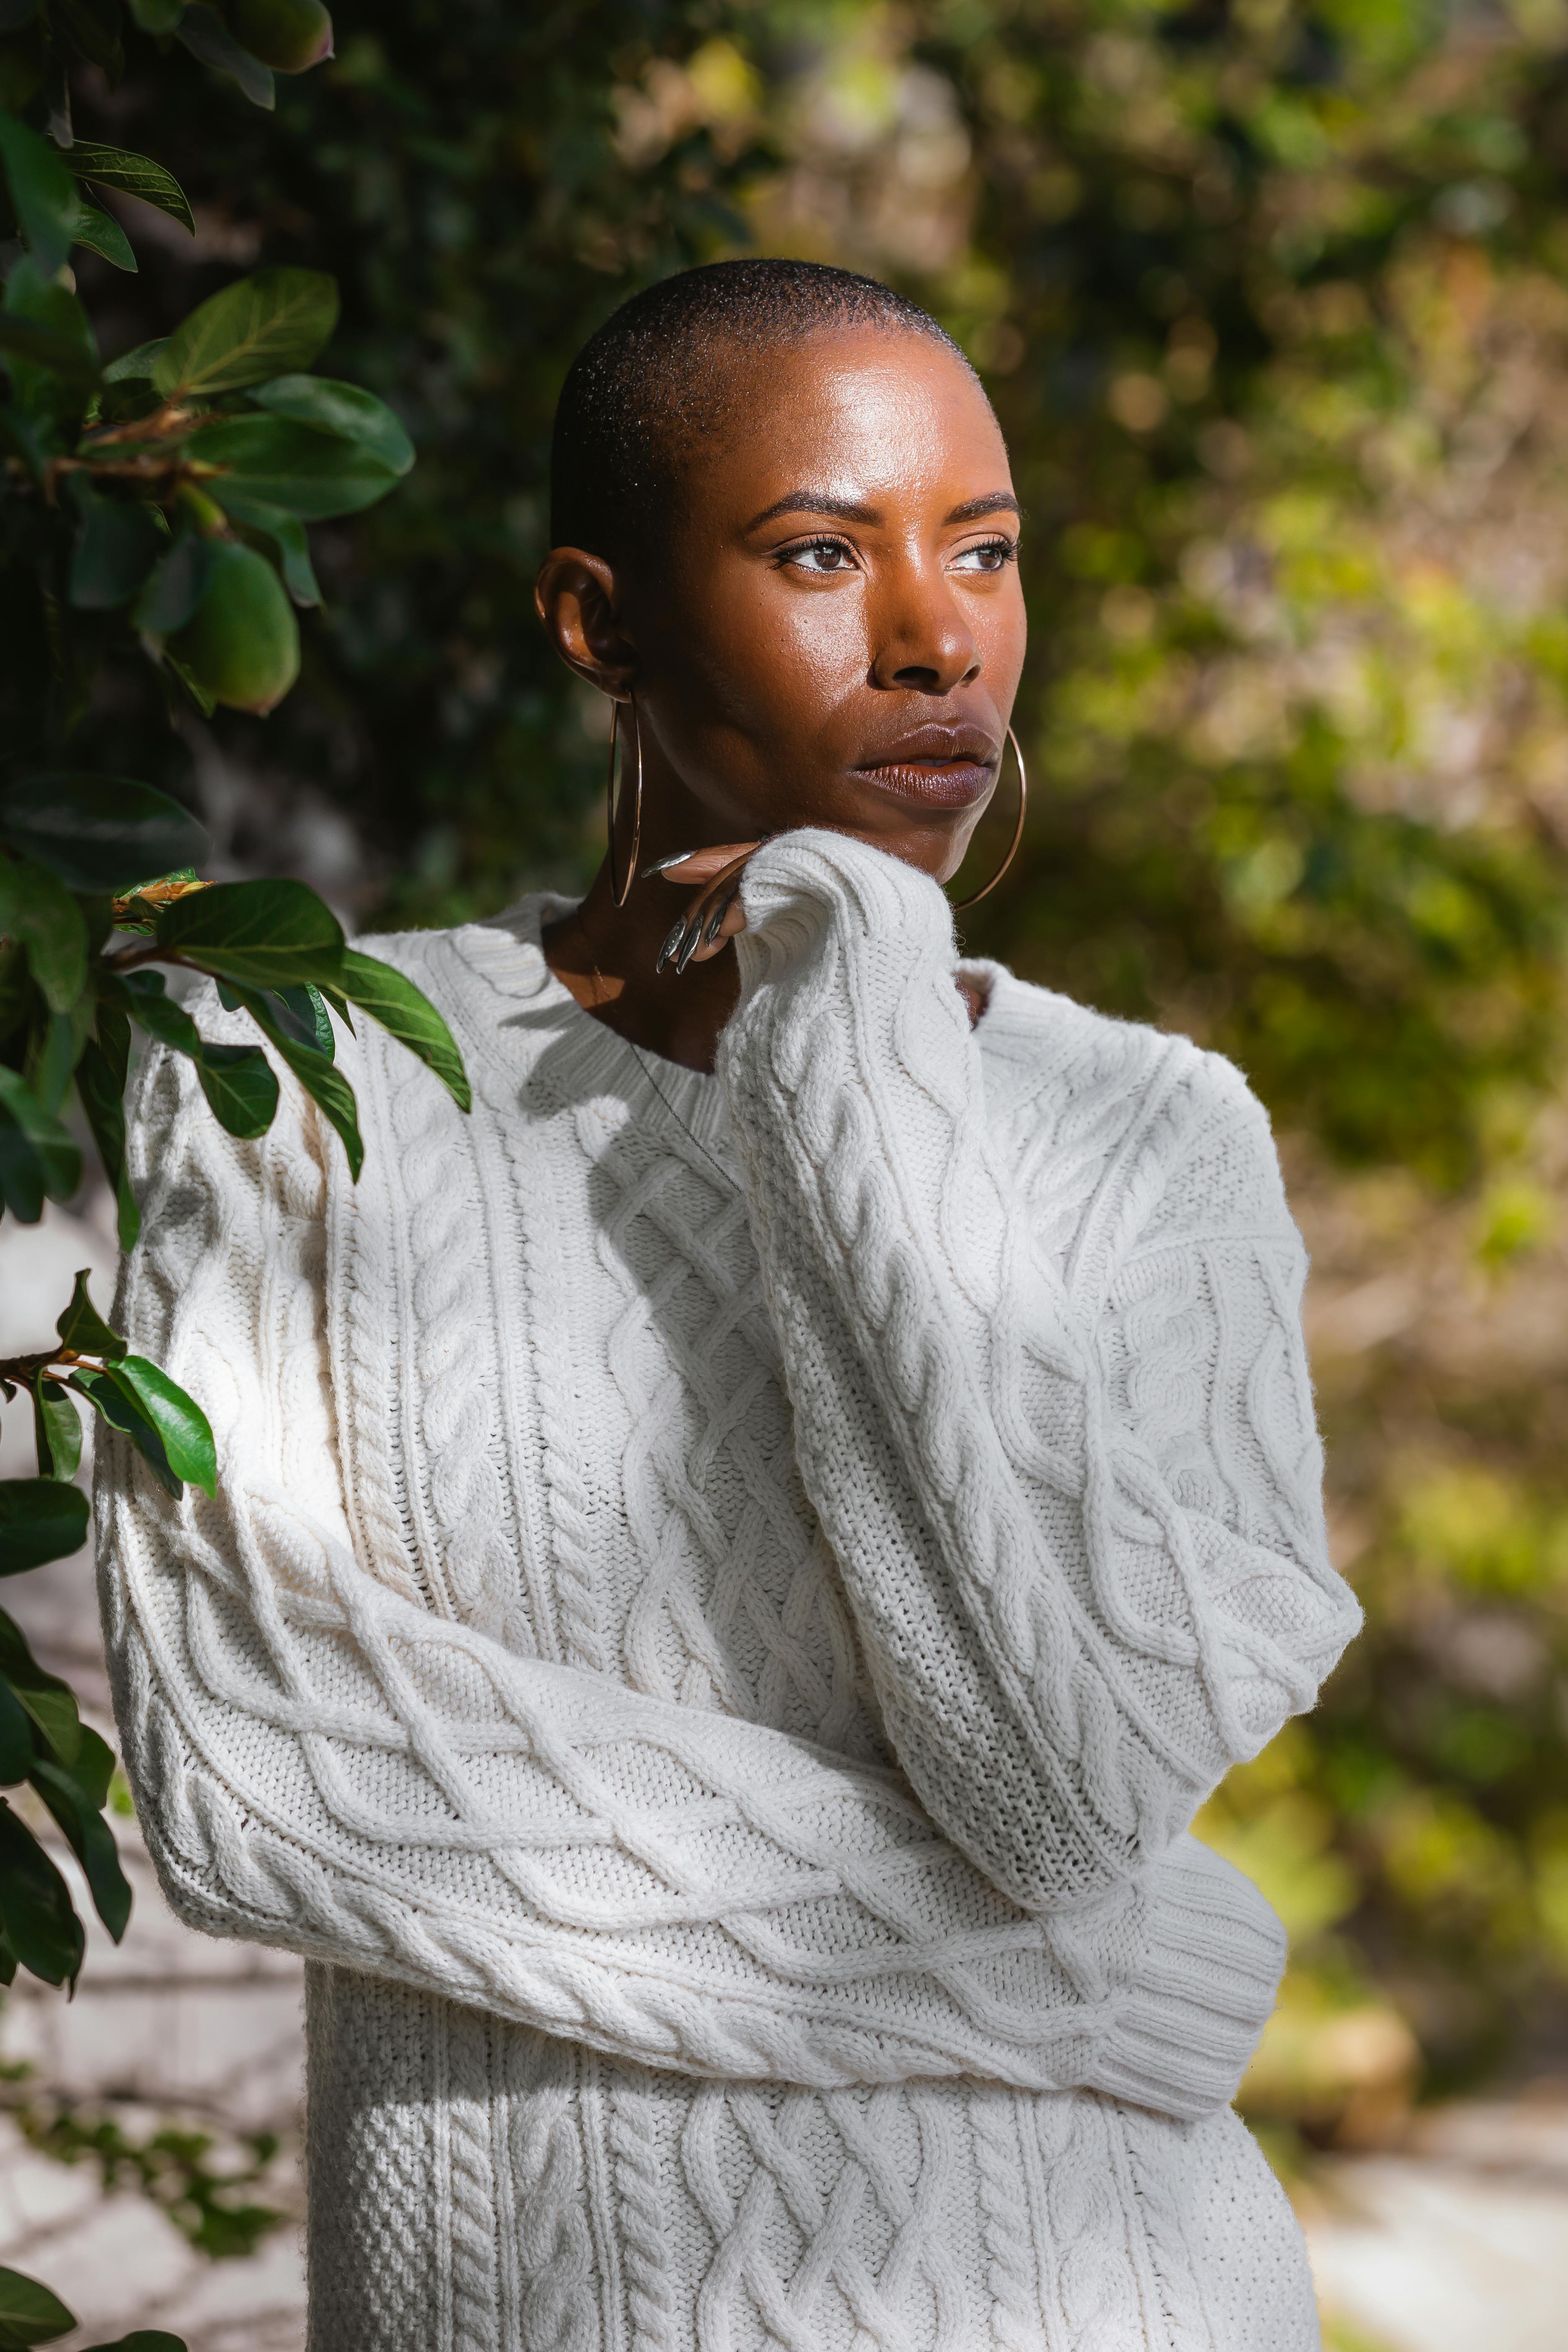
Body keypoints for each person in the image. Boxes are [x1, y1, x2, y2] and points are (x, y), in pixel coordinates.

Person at [98, 259, 1361, 2352]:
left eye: (985, 550)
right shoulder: (294, 1075)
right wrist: (1104, 1980)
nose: (939, 635)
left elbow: (1065, 1787)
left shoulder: (1153, 1142)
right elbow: (270, 1752)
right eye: (818, 554)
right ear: (601, 621)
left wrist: (857, 1020)